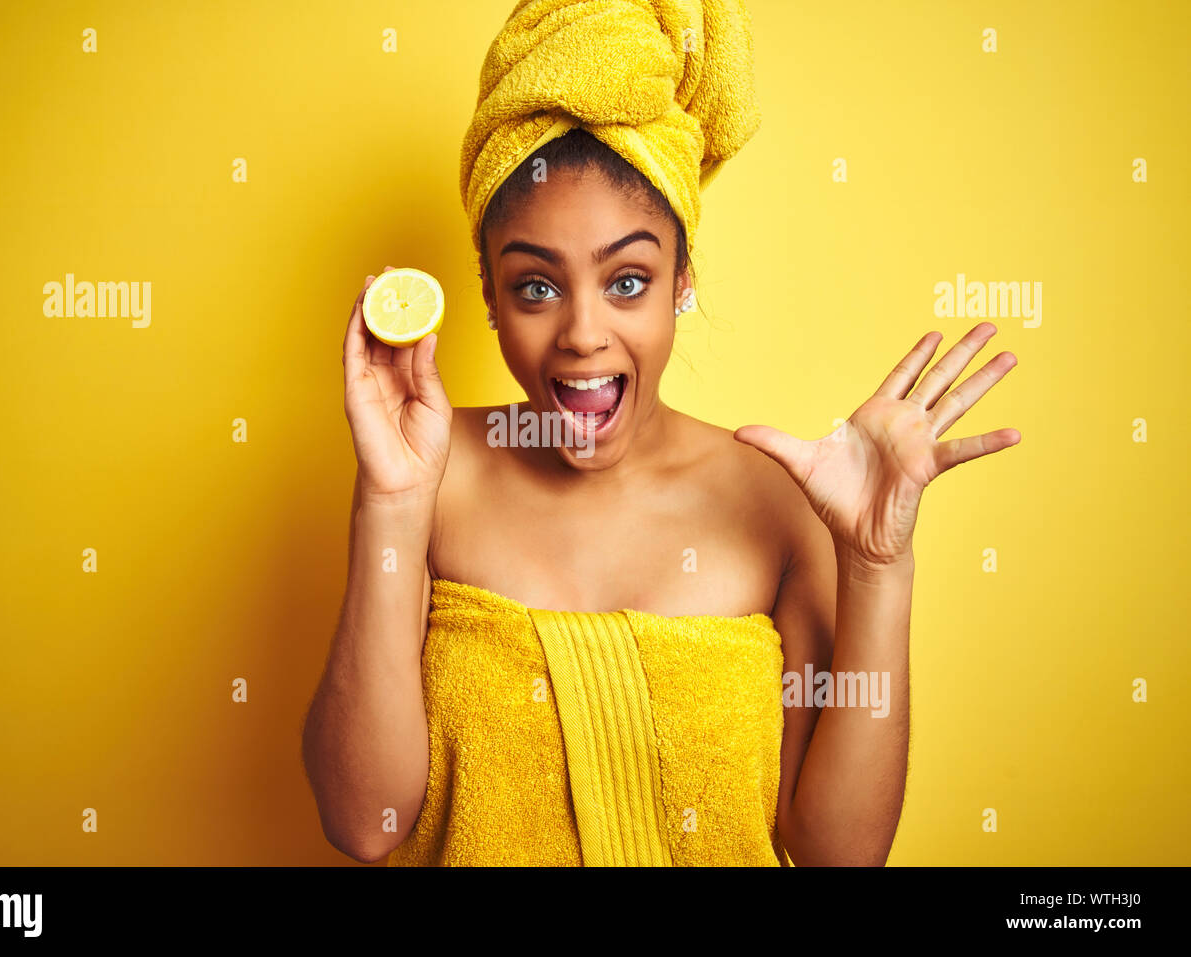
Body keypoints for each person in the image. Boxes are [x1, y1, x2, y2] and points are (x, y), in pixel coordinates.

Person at [302, 0, 1019, 866]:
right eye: (535, 286)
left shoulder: (779, 501)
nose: (582, 333)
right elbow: (364, 822)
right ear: (488, 295)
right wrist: (389, 501)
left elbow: (839, 854)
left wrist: (876, 566)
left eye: (628, 280)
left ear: (682, 280)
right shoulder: (429, 473)